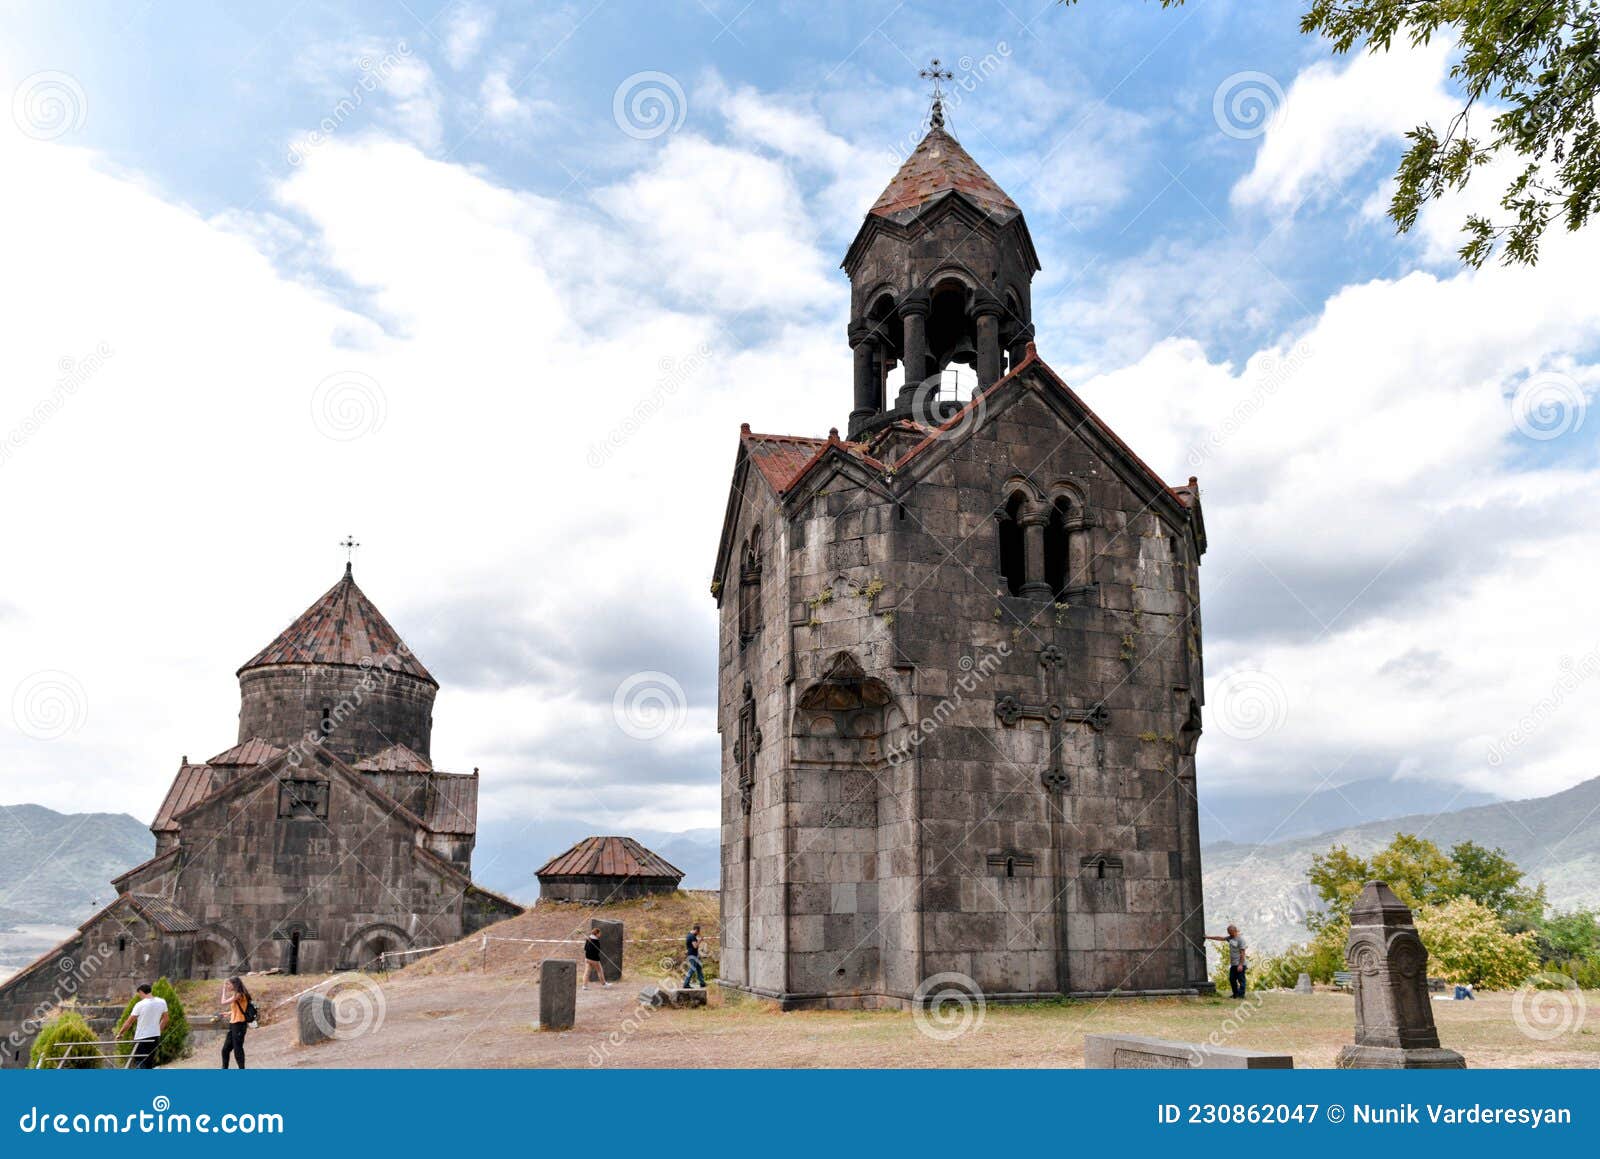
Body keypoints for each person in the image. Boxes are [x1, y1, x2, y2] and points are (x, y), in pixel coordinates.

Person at [115, 983, 169, 1069]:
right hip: (155, 1037)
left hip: (141, 1038)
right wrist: (158, 1031)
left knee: (140, 1062)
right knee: (149, 1062)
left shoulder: (140, 1004)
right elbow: (166, 1019)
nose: (139, 996)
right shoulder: (162, 1002)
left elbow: (129, 1022)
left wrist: (120, 1033)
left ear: (141, 992)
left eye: (139, 994)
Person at [1205, 925, 1248, 998]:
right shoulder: (1230, 938)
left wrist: (1240, 965)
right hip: (1233, 964)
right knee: (1232, 979)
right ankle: (1235, 994)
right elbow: (1220, 938)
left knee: (1241, 980)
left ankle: (1241, 995)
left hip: (1240, 964)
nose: (1229, 934)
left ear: (1235, 931)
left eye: (1231, 932)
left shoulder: (1240, 940)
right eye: (1228, 932)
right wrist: (1208, 937)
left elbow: (1243, 953)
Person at [220, 976, 252, 1069]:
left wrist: (223, 991)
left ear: (234, 984)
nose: (227, 986)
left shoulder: (239, 994)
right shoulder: (236, 995)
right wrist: (229, 1013)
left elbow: (223, 1002)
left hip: (239, 1025)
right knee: (225, 1050)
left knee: (238, 1050)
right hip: (233, 1025)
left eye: (228, 984)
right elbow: (239, 1008)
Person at [683, 923, 705, 989]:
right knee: (692, 969)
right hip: (692, 955)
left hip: (694, 955)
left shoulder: (689, 934)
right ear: (696, 930)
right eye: (698, 931)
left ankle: (702, 983)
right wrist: (700, 940)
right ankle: (686, 984)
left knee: (699, 968)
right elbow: (695, 946)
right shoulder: (692, 936)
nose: (698, 933)